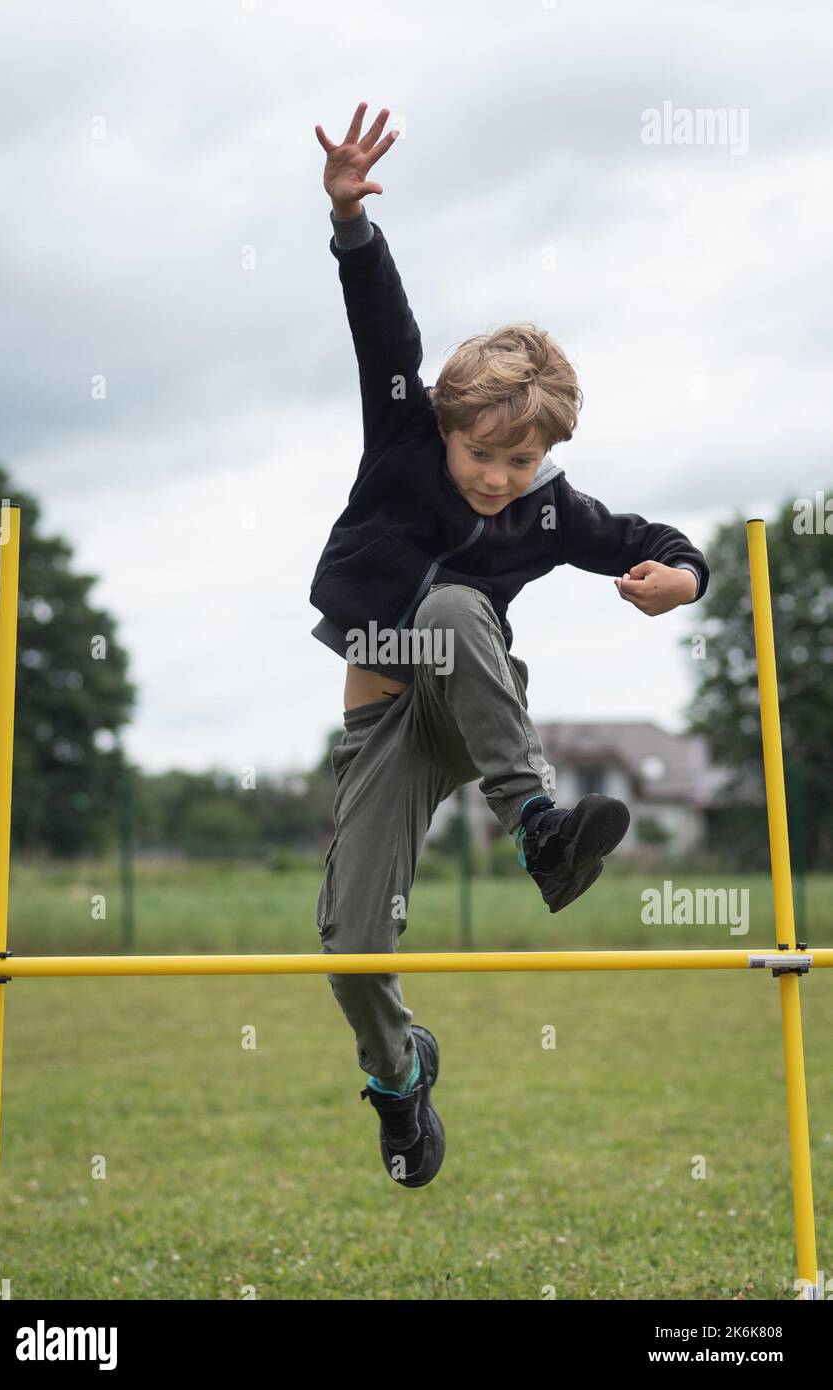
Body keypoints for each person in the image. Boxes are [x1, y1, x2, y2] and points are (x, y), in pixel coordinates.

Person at [309, 101, 710, 1189]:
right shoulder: (403, 434)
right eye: (483, 453)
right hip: (387, 728)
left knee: (451, 616)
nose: (498, 477)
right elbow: (382, 324)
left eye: (520, 461)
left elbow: (652, 539)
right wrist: (351, 219)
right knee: (349, 953)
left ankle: (539, 828)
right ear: (443, 425)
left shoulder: (547, 508)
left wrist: (679, 577)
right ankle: (401, 1078)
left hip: (475, 711)